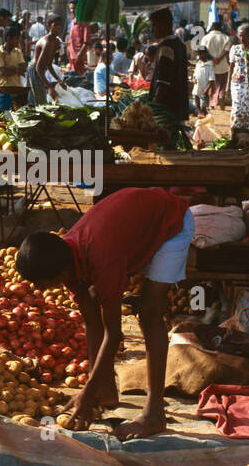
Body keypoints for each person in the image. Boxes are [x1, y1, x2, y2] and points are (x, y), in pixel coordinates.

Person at [16, 188, 194, 438]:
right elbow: (92, 323)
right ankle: (108, 390)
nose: (38, 289)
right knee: (98, 310)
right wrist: (98, 383)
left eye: (41, 283)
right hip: (136, 231)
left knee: (149, 311)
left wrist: (87, 393)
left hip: (170, 221)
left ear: (61, 274)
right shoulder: (65, 259)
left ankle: (155, 413)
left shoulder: (100, 257)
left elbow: (114, 334)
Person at [149, 7, 189, 123]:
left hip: (166, 110)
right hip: (178, 107)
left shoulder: (166, 47)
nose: (152, 30)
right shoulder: (180, 45)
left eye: (154, 25)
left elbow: (163, 83)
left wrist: (153, 109)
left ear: (164, 25)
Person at [227, 24, 249, 136]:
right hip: (236, 84)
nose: (242, 38)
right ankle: (234, 133)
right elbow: (231, 67)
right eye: (240, 35)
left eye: (244, 36)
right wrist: (227, 86)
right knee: (237, 108)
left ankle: (247, 134)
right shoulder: (234, 49)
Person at [28, 15, 66, 105]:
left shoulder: (56, 42)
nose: (58, 27)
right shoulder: (47, 42)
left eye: (60, 25)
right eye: (55, 25)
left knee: (41, 99)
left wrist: (59, 81)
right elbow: (38, 67)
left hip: (41, 69)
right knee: (38, 100)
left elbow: (49, 64)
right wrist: (49, 87)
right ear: (49, 26)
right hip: (34, 70)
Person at [0, 25, 26, 111]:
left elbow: (23, 68)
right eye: (17, 39)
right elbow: (2, 71)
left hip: (16, 89)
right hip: (3, 89)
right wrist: (17, 69)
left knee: (15, 117)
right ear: (9, 38)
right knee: (2, 116)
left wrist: (8, 67)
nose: (18, 41)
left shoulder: (18, 51)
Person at [201, 20, 232, 107]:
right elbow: (227, 51)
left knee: (211, 84)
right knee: (222, 83)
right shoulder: (226, 37)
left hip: (210, 65)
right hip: (223, 66)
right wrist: (219, 59)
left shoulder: (205, 38)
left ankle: (212, 102)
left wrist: (212, 59)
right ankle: (221, 96)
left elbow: (204, 51)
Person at [192, 48, 214, 115]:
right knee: (196, 103)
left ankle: (203, 113)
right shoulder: (198, 64)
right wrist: (194, 79)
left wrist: (207, 89)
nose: (199, 55)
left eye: (201, 53)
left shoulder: (209, 64)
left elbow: (212, 79)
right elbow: (195, 74)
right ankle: (199, 113)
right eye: (198, 54)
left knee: (203, 105)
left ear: (206, 54)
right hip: (197, 88)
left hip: (204, 89)